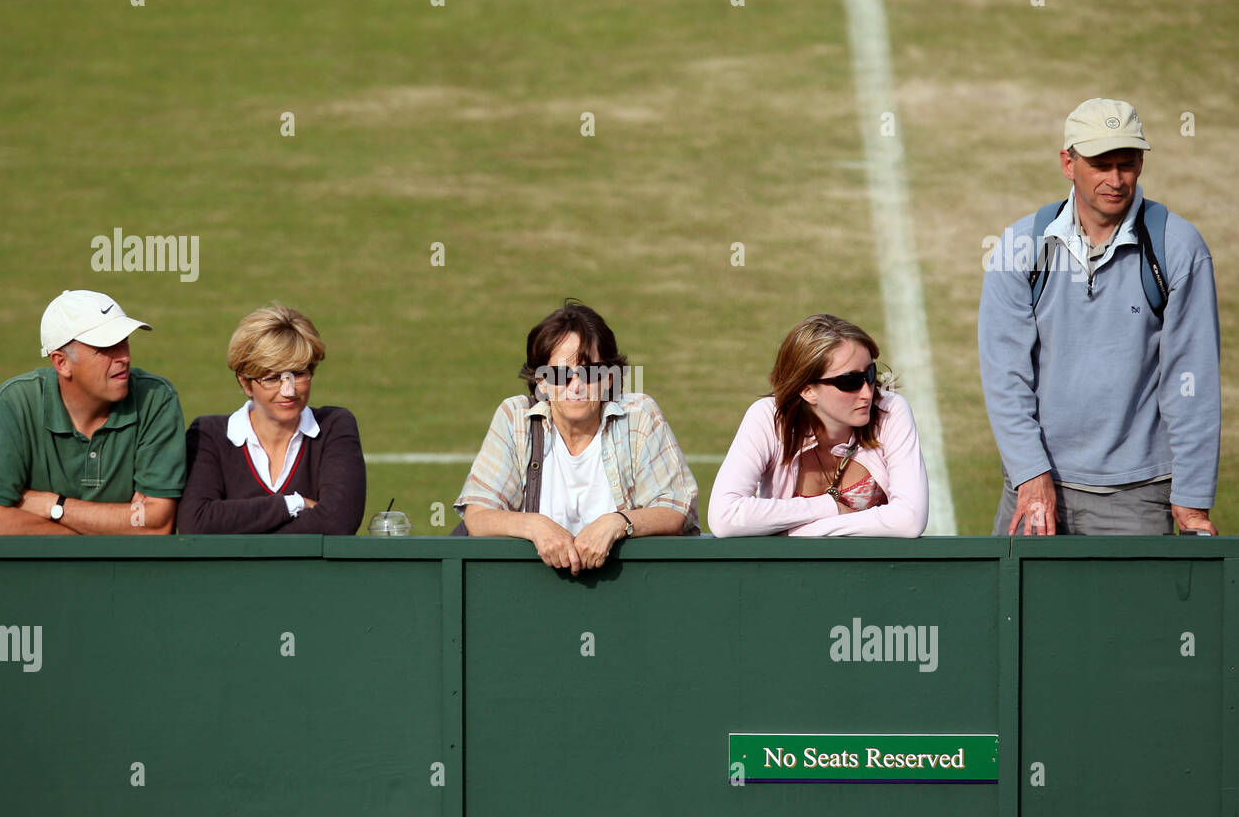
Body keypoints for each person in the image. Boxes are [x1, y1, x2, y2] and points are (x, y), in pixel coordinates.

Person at [979, 98, 1220, 536]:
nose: (1114, 180)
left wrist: (1192, 497)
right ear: (1068, 163)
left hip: (1139, 496)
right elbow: (1005, 377)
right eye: (1100, 164)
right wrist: (1031, 475)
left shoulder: (1180, 248)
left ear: (1141, 164)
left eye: (1126, 164)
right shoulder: (1018, 247)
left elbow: (1192, 380)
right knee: (1015, 607)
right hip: (1036, 487)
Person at [455, 300, 699, 574]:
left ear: (609, 378)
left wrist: (618, 522)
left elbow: (676, 510)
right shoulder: (516, 417)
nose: (576, 387)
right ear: (541, 382)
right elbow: (478, 517)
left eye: (589, 372)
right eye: (560, 375)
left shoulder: (639, 415)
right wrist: (536, 526)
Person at [0, 289, 185, 534]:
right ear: (62, 363)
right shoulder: (14, 403)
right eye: (106, 347)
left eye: (124, 341)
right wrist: (102, 534)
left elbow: (156, 524)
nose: (124, 356)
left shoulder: (156, 399)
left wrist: (54, 506)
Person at [708, 314, 928, 538]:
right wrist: (829, 507)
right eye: (849, 381)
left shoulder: (889, 411)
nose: (867, 392)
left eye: (869, 374)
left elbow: (909, 519)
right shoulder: (767, 418)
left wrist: (801, 532)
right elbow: (724, 517)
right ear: (807, 390)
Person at [177, 305, 365, 534]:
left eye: (298, 374)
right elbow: (195, 523)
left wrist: (239, 528)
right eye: (272, 378)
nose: (288, 390)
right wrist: (293, 504)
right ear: (245, 383)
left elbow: (338, 522)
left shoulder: (335, 425)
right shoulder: (209, 434)